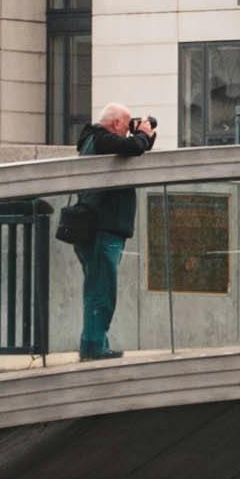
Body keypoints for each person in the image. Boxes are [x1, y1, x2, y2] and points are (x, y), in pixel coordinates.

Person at [58, 106, 157, 361]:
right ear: (114, 123)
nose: (127, 130)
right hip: (102, 231)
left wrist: (144, 137)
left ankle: (95, 343)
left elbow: (133, 149)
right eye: (125, 125)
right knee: (102, 292)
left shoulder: (95, 141)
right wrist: (142, 135)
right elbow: (133, 147)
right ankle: (93, 347)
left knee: (97, 290)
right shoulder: (101, 139)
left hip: (99, 229)